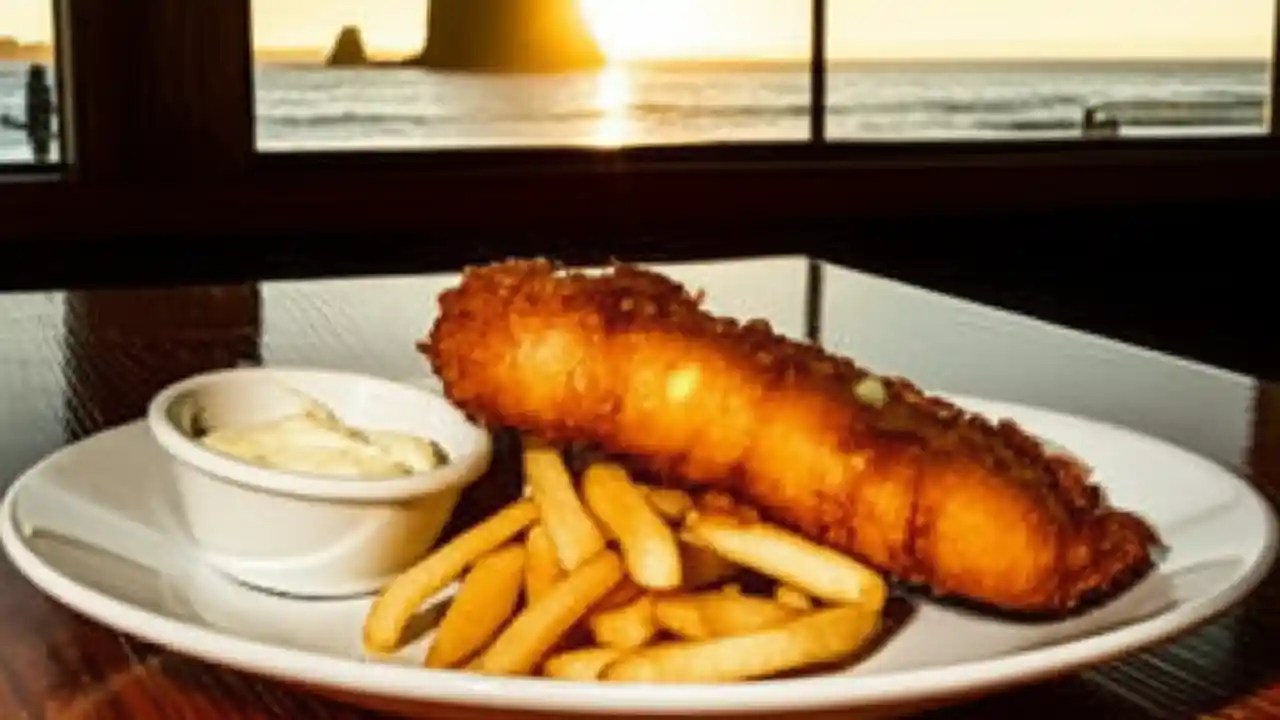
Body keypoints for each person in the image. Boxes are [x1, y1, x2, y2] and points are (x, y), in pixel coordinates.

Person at [0, 63, 55, 163]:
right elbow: (42, 114)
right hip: (40, 129)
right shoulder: (39, 89)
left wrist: (12, 123)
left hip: (39, 130)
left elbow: (38, 117)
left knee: (41, 149)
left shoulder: (35, 89)